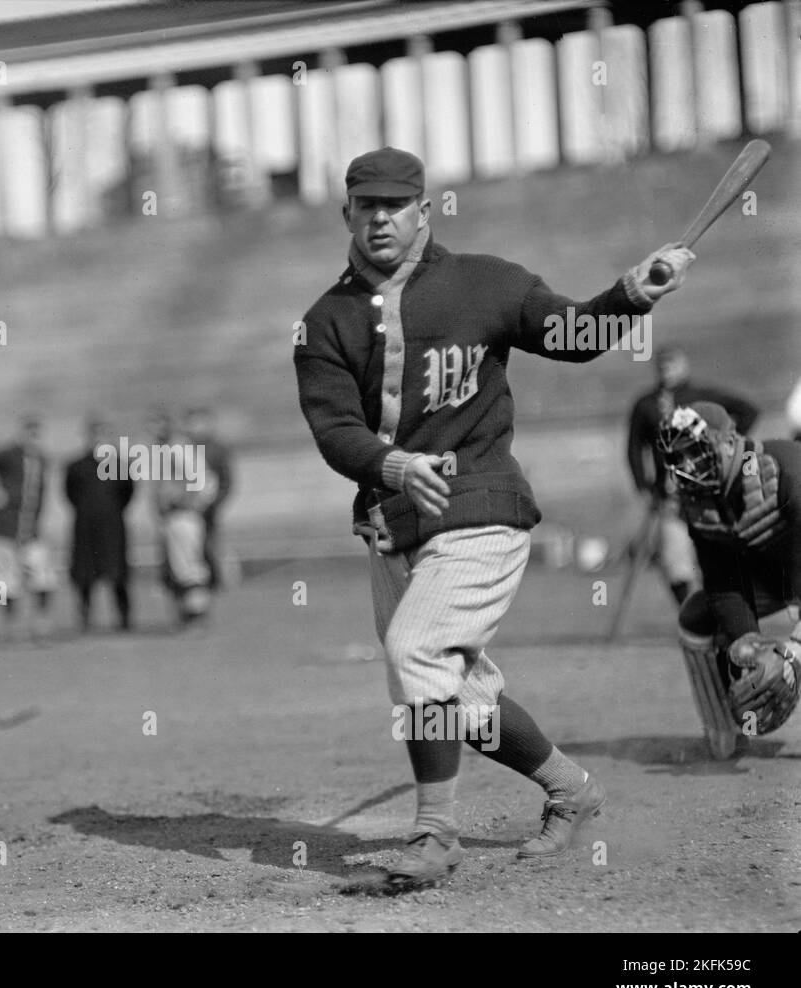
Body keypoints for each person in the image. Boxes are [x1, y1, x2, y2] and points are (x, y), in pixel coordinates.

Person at [293, 146, 695, 893]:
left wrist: (633, 294)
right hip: (394, 523)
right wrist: (391, 464)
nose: (381, 218)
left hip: (483, 508)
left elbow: (573, 337)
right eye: (366, 205)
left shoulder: (486, 281)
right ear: (345, 213)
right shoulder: (323, 323)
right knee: (458, 698)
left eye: (395, 204)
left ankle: (435, 834)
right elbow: (334, 430)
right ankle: (572, 788)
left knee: (417, 652)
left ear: (425, 208)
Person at [656, 401, 799, 759]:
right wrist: (748, 639)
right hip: (776, 577)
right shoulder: (698, 506)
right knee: (695, 620)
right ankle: (726, 735)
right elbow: (724, 584)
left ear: (729, 440)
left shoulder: (785, 472)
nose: (687, 467)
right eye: (679, 458)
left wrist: (793, 650)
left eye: (696, 453)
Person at [625, 347, 758, 606]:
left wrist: (727, 446)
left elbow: (749, 410)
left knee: (719, 560)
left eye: (672, 365)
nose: (667, 371)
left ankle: (727, 614)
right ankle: (694, 616)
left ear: (684, 365)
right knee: (675, 564)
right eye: (662, 366)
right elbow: (633, 448)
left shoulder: (702, 398)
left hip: (709, 497)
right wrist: (643, 485)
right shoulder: (646, 405)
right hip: (670, 498)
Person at [0, 413, 58, 641]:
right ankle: (10, 624)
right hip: (1, 529)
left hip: (29, 530)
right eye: (29, 432)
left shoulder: (41, 460)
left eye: (37, 433)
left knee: (44, 575)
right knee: (3, 583)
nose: (33, 438)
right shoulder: (8, 453)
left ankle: (41, 621)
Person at [146, 408, 217, 629]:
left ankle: (198, 617)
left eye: (157, 423)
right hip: (170, 518)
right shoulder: (161, 450)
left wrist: (190, 501)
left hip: (184, 516)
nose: (153, 430)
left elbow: (205, 481)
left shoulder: (179, 448)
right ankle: (186, 615)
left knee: (190, 567)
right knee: (178, 567)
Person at [64, 416, 135, 631]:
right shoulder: (76, 466)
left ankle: (124, 618)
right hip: (86, 526)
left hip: (112, 526)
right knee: (85, 575)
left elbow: (128, 493)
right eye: (96, 435)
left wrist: (110, 511)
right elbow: (70, 493)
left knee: (117, 574)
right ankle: (85, 617)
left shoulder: (120, 465)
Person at [183, 405, 234, 591]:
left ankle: (219, 581)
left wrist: (214, 502)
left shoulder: (217, 449)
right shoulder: (183, 449)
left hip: (209, 508)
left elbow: (226, 482)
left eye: (198, 422)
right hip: (188, 509)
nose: (194, 427)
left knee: (212, 545)